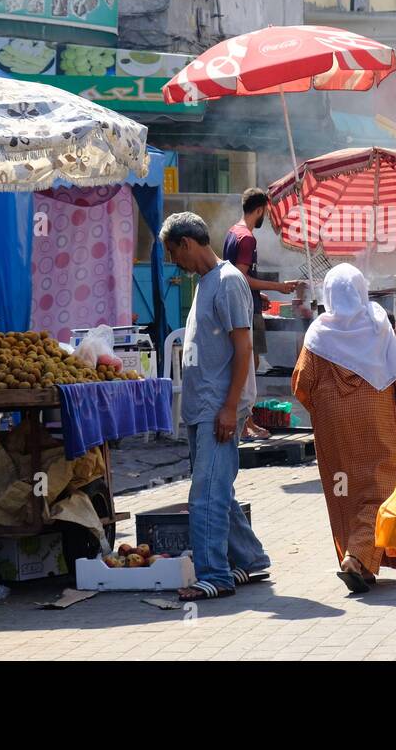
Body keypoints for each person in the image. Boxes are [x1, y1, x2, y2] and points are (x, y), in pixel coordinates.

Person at [161, 212, 272, 601]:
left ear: (187, 243)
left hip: (218, 407)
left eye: (174, 254)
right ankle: (251, 558)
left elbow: (243, 350)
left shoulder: (227, 282)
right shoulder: (206, 282)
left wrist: (229, 409)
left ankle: (215, 575)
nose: (175, 263)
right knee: (216, 489)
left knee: (205, 492)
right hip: (204, 405)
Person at [292, 263, 396, 594]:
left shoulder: (318, 335)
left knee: (344, 493)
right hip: (377, 427)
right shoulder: (378, 327)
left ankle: (362, 565)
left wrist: (324, 413)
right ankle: (356, 557)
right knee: (381, 491)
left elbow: (301, 385)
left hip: (335, 434)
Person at [224, 188, 301, 440]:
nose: (264, 218)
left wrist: (259, 295)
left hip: (244, 304)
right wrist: (278, 287)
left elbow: (237, 277)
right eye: (264, 213)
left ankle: (246, 420)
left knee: (246, 364)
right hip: (246, 312)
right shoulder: (247, 238)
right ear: (258, 210)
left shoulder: (231, 233)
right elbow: (241, 276)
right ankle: (245, 422)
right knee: (248, 365)